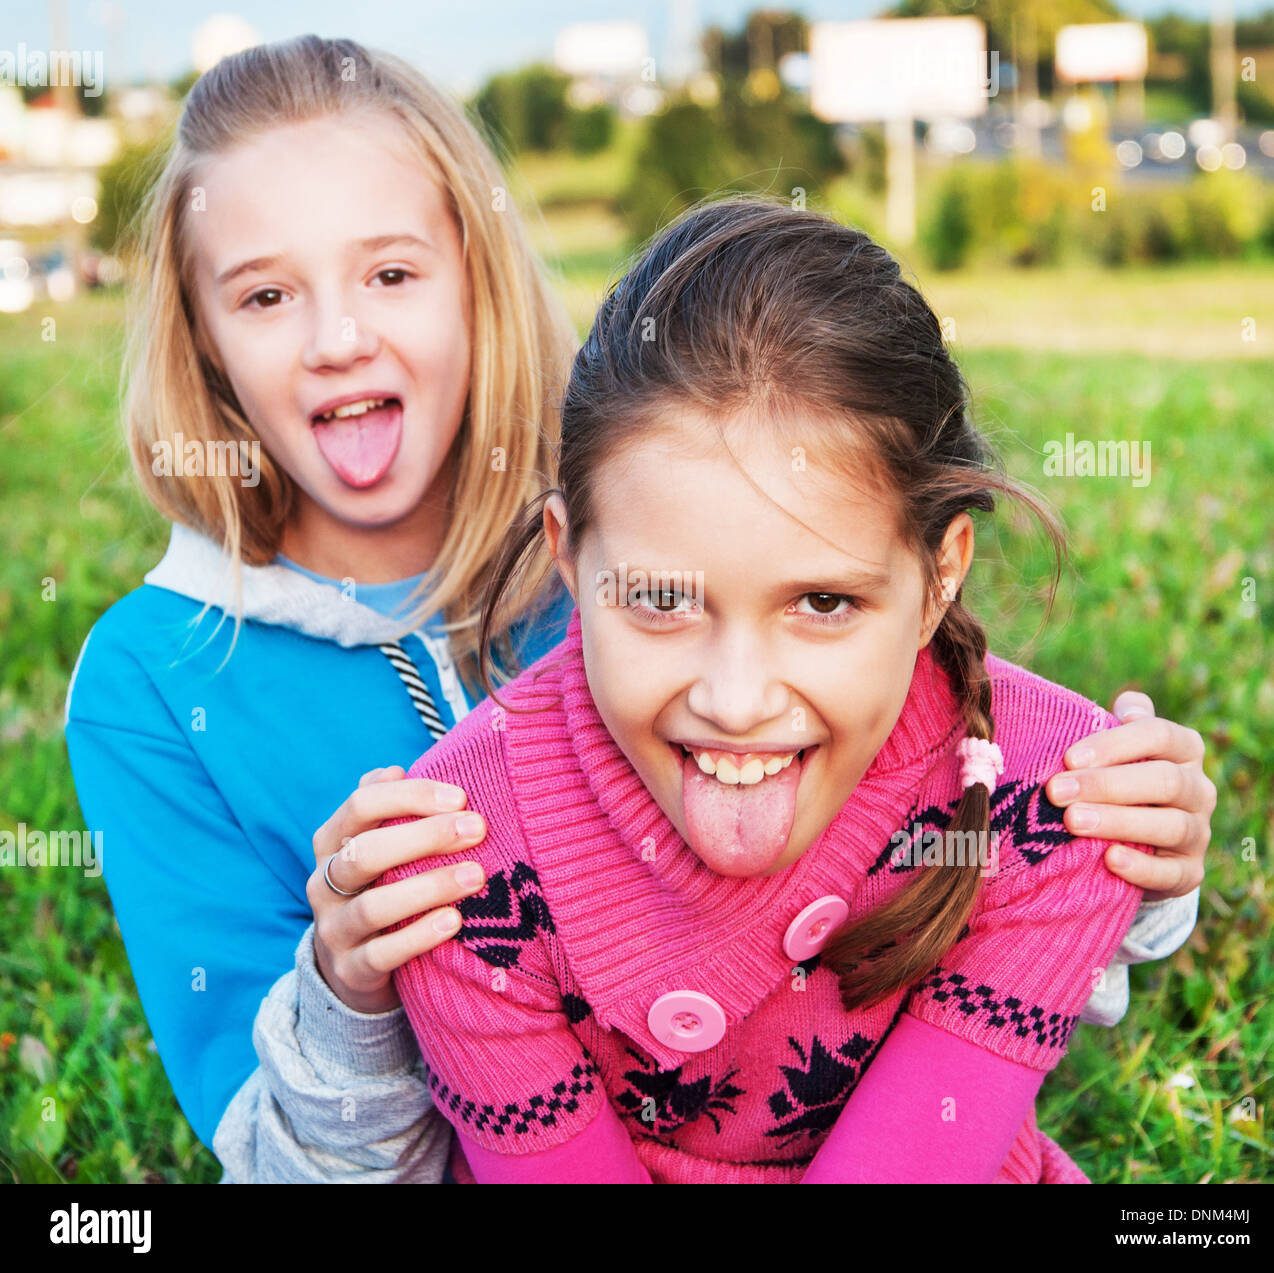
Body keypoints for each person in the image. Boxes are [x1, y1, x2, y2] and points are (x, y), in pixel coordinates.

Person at [63, 38, 1210, 1185]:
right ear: (202, 339)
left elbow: (945, 807)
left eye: (392, 274)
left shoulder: (673, 510)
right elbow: (271, 1154)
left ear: (479, 278)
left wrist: (1134, 853)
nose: (337, 339)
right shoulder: (152, 684)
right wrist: (349, 983)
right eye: (265, 294)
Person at [380, 197, 1211, 1184]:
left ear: (938, 573)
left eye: (821, 601)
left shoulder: (1055, 802)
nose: (737, 699)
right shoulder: (459, 864)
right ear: (570, 562)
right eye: (658, 599)